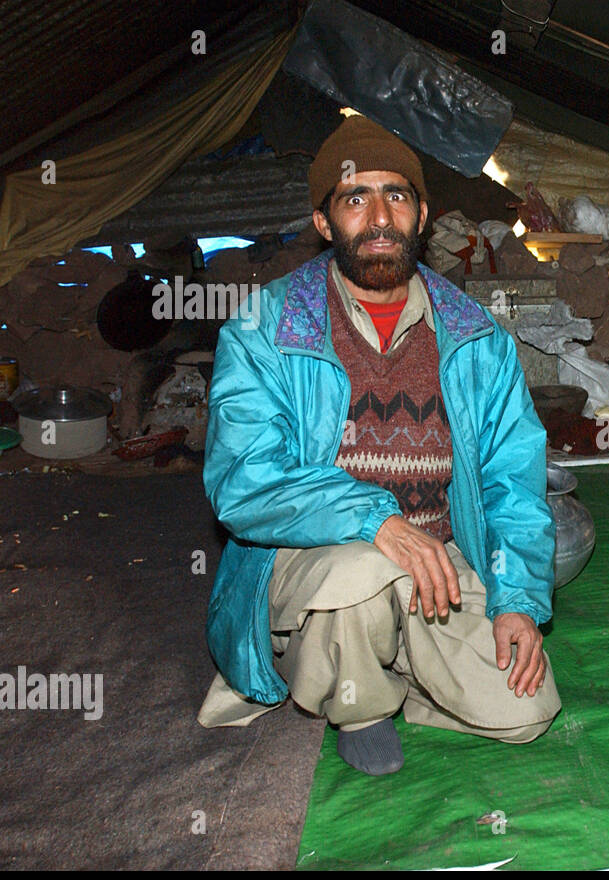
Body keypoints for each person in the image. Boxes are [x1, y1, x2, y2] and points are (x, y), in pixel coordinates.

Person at [196, 115, 561, 774]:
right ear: (326, 223)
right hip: (312, 555)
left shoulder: (475, 336)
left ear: (423, 214)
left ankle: (384, 664)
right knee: (364, 570)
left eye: (396, 195)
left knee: (525, 714)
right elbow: (243, 481)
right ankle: (359, 703)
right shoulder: (267, 328)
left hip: (439, 558)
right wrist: (375, 520)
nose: (379, 215)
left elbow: (514, 482)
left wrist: (517, 602)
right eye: (354, 199)